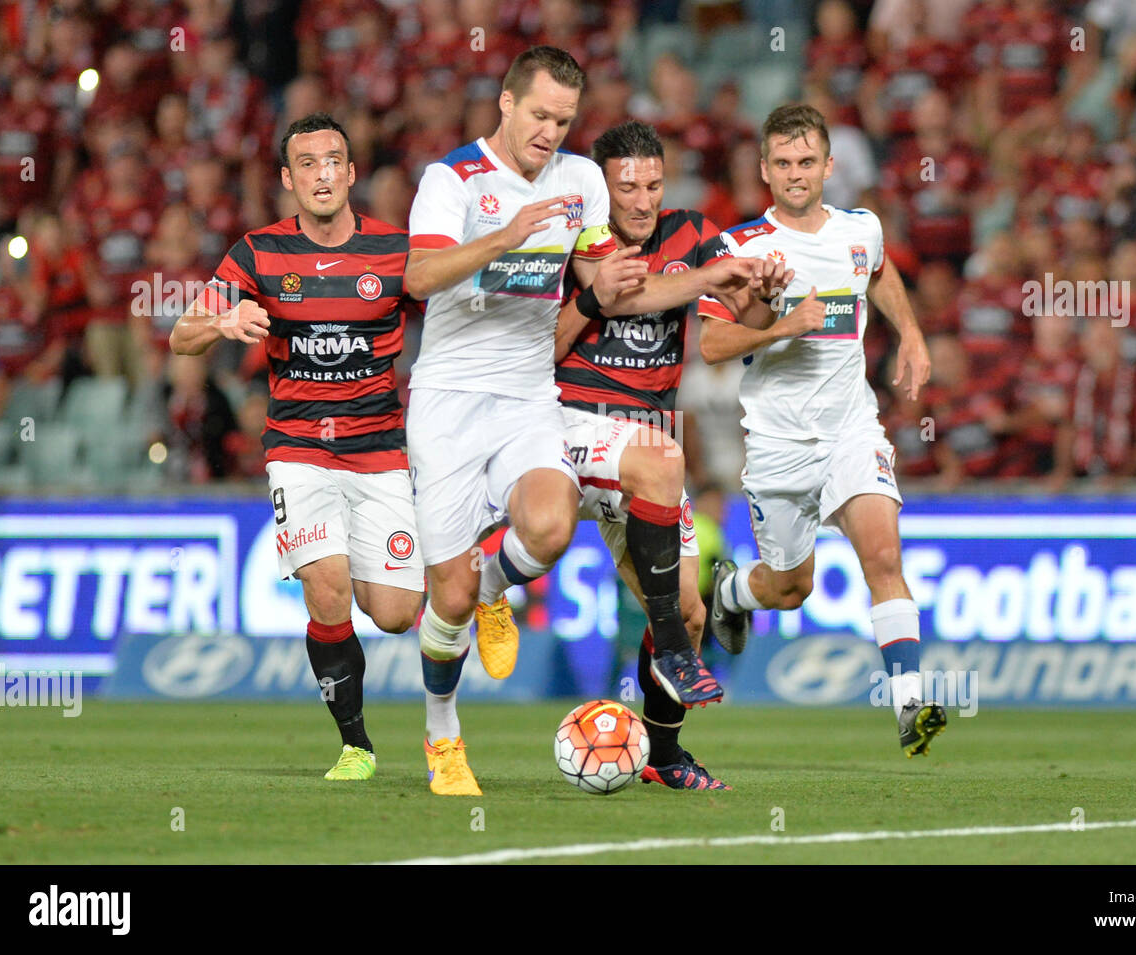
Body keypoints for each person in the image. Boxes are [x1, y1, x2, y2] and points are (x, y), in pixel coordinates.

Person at [404, 47, 761, 795]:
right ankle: (442, 731)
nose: (549, 132)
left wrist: (695, 277)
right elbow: (418, 276)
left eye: (563, 120)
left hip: (531, 398)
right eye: (539, 115)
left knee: (550, 524)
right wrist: (507, 236)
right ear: (505, 103)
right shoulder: (452, 180)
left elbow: (610, 284)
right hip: (449, 402)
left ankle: (505, 586)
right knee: (447, 598)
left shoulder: (577, 182)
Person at [170, 112, 424, 782]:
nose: (322, 174)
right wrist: (223, 320)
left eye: (333, 160)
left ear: (351, 171)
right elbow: (180, 336)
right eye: (306, 163)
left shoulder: (396, 251)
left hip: (378, 448)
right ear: (287, 178)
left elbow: (454, 313)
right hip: (298, 446)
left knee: (395, 613)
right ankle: (356, 744)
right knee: (327, 587)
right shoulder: (257, 252)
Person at [701, 104, 948, 758]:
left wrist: (912, 334)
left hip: (850, 430)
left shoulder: (859, 231)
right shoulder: (740, 248)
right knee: (789, 587)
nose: (795, 174)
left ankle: (910, 707)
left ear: (829, 165)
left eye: (806, 161)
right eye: (782, 163)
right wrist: (783, 324)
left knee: (884, 557)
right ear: (763, 170)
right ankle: (731, 589)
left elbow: (880, 270)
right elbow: (711, 343)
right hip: (778, 446)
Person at [547, 120, 775, 790]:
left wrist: (762, 290)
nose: (643, 199)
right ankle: (491, 586)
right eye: (627, 186)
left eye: (653, 183)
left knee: (690, 609)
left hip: (647, 451)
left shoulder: (690, 233)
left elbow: (743, 321)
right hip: (571, 425)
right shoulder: (571, 243)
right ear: (600, 187)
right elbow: (544, 350)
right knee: (539, 538)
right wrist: (593, 298)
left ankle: (664, 756)